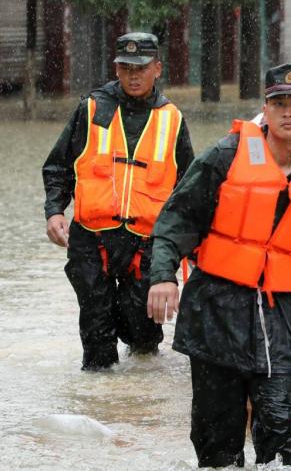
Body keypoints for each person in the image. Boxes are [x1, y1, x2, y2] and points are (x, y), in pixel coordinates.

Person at [146, 64, 291, 469]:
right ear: (266, 110)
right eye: (280, 104)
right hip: (215, 312)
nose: (289, 112)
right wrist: (162, 277)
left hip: (278, 315)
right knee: (218, 445)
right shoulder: (224, 157)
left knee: (282, 434)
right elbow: (175, 221)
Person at [42, 32, 194, 371]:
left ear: (157, 68)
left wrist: (189, 245)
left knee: (141, 332)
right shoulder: (92, 108)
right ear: (116, 69)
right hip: (91, 238)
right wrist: (54, 211)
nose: (133, 75)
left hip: (147, 244)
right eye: (125, 68)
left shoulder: (172, 120)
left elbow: (189, 190)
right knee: (97, 330)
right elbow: (58, 166)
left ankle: (139, 401)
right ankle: (100, 401)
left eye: (140, 68)